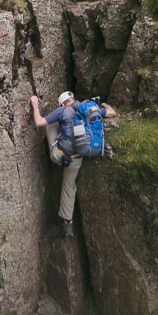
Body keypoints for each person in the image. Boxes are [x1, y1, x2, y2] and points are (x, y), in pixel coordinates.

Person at [30, 91, 118, 237]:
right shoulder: (87, 109)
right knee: (69, 185)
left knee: (50, 125)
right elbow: (111, 113)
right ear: (73, 100)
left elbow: (39, 122)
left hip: (60, 155)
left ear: (62, 103)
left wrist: (35, 106)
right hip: (78, 157)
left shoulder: (62, 110)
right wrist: (104, 104)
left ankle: (55, 154)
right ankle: (67, 220)